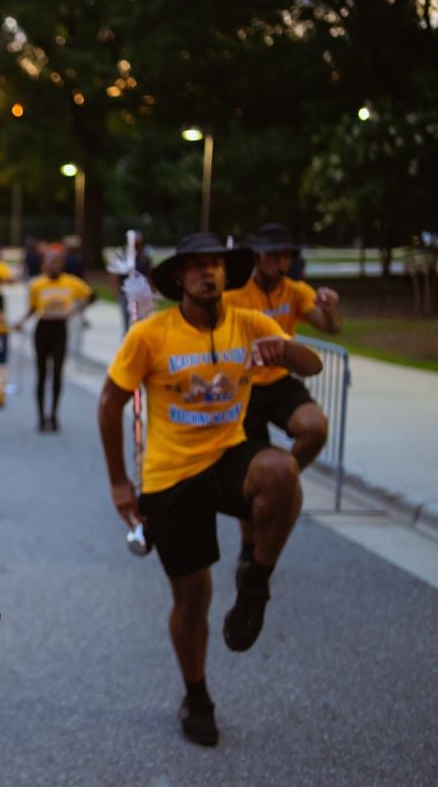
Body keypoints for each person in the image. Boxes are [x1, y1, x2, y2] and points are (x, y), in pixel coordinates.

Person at [97, 232, 321, 747]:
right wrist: (118, 483)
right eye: (196, 266)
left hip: (228, 455)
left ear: (226, 273)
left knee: (282, 472)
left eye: (215, 265)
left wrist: (284, 349)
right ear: (179, 278)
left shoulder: (249, 323)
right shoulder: (152, 334)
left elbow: (313, 366)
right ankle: (196, 695)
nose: (208, 273)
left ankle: (256, 584)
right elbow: (110, 404)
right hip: (171, 476)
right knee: (193, 597)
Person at [224, 223, 341, 576]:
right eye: (274, 255)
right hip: (244, 386)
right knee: (248, 475)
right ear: (258, 256)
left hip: (278, 380)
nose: (281, 262)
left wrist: (330, 305)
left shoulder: (295, 290)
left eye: (287, 255)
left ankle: (283, 478)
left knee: (315, 427)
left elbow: (330, 328)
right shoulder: (235, 292)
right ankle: (248, 545)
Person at [16, 248, 95, 432]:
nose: (54, 265)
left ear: (62, 265)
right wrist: (21, 321)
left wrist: (76, 310)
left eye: (58, 262)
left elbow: (91, 296)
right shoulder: (37, 284)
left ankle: (54, 414)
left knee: (57, 374)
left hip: (60, 328)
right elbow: (33, 308)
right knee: (42, 374)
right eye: (51, 262)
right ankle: (41, 417)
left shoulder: (71, 282)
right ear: (44, 265)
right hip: (43, 328)